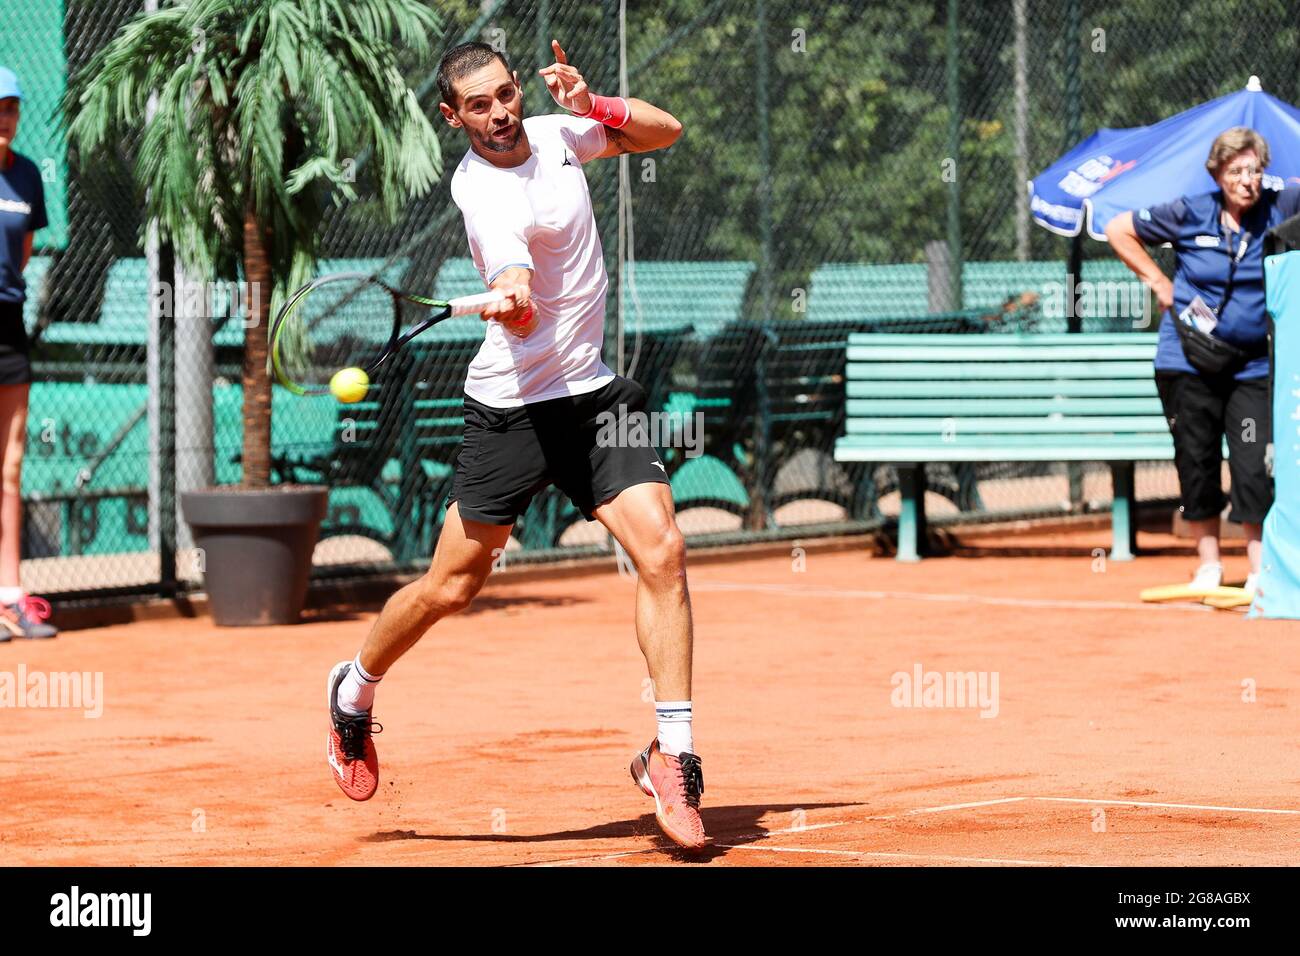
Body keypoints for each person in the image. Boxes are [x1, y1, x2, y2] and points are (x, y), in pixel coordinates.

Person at [323, 41, 705, 849]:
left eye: (505, 95)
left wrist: (594, 105)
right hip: (514, 413)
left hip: (594, 393)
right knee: (449, 587)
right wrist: (517, 300)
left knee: (664, 550)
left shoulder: (559, 136)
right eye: (480, 105)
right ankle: (353, 691)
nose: (499, 114)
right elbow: (512, 269)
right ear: (452, 116)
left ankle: (673, 759)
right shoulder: (480, 192)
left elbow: (665, 131)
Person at [1107, 127, 1300, 596]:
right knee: (1197, 459)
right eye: (1236, 171)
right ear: (1217, 173)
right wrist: (1158, 282)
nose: (1247, 180)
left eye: (1255, 170)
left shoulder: (1281, 208)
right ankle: (1209, 564)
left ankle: (1259, 569)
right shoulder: (1189, 211)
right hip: (1187, 361)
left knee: (1255, 464)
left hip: (1253, 364)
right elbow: (1119, 229)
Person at [0, 66, 56, 641]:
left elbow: (23, 252)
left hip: (10, 326)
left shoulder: (29, 178)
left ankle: (10, 596)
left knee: (11, 467)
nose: (5, 118)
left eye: (11, 107)